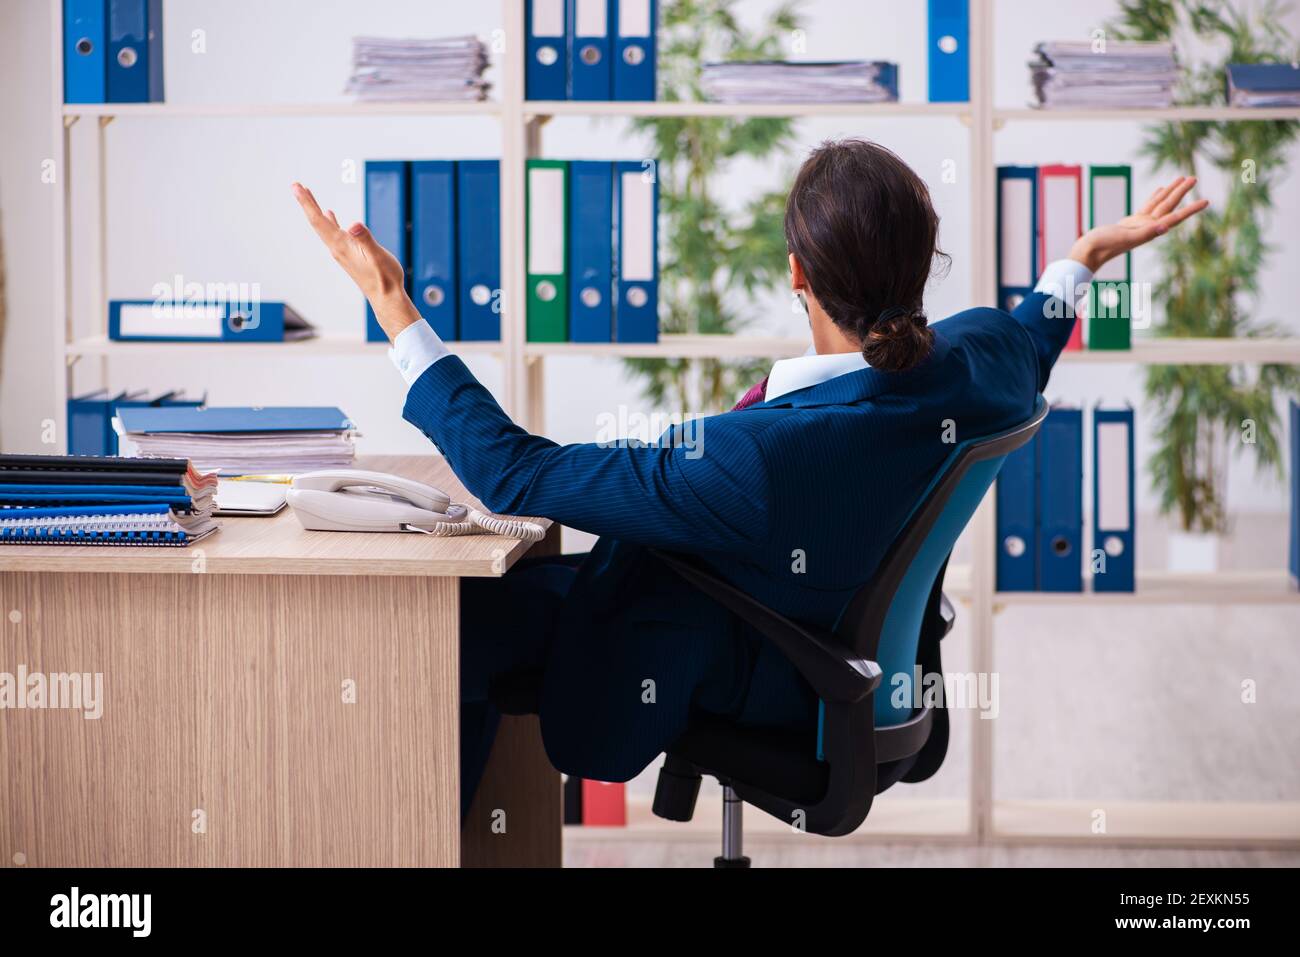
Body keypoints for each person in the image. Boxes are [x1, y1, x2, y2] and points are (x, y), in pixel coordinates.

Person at [293, 139, 1206, 813]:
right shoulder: (976, 363)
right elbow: (1034, 331)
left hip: (741, 665)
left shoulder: (756, 463)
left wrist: (393, 305)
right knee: (505, 591)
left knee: (439, 622)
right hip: (823, 650)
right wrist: (1084, 256)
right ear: (923, 265)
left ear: (797, 274)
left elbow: (509, 470)